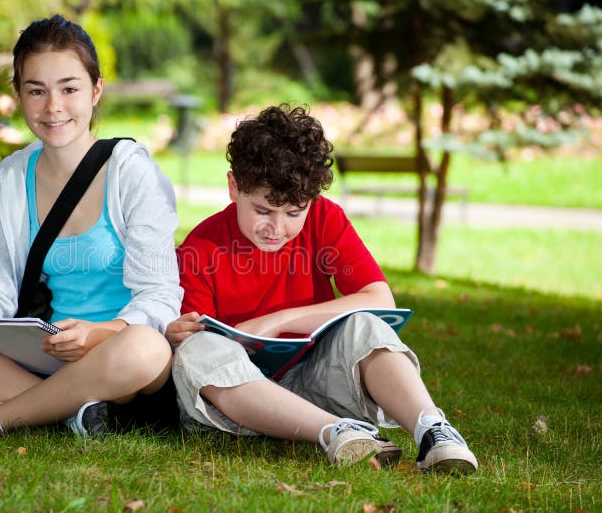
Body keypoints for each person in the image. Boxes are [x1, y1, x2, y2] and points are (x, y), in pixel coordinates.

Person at [0, 15, 181, 435]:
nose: (53, 106)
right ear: (18, 95)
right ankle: (71, 413)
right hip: (45, 352)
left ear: (96, 91)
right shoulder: (12, 175)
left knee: (147, 348)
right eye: (36, 90)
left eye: (69, 89)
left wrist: (98, 333)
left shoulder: (132, 172)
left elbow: (159, 298)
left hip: (119, 357)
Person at [166, 105, 478, 474]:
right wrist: (178, 333)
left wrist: (278, 321)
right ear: (234, 187)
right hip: (244, 399)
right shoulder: (202, 246)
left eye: (294, 213)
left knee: (367, 324)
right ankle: (336, 432)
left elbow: (380, 298)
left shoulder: (325, 218)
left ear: (311, 202)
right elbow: (198, 347)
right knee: (197, 351)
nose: (277, 228)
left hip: (317, 380)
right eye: (263, 210)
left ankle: (433, 431)